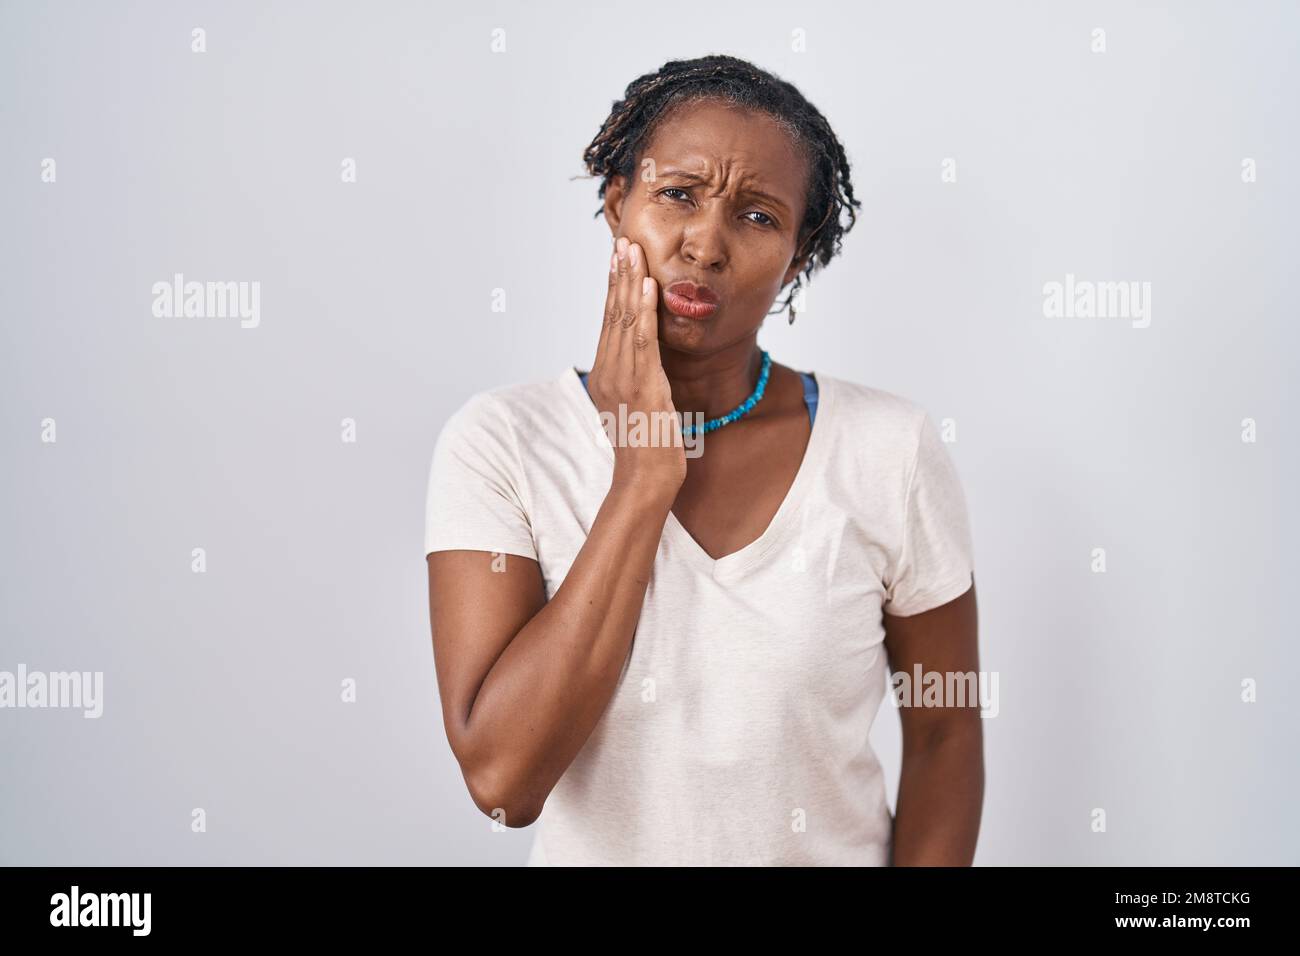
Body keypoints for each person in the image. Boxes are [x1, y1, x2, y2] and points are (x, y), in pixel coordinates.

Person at [424, 54, 981, 866]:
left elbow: (944, 730)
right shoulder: (503, 442)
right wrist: (643, 480)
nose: (705, 244)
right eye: (677, 195)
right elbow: (504, 782)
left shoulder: (887, 448)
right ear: (619, 204)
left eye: (757, 217)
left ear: (797, 256)